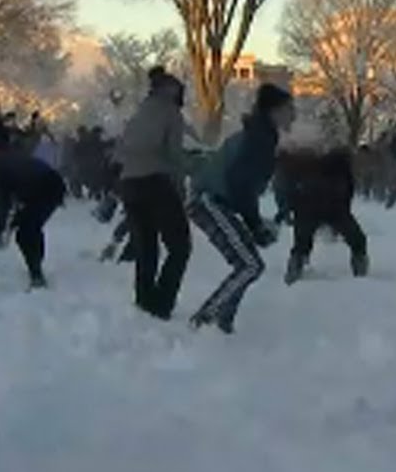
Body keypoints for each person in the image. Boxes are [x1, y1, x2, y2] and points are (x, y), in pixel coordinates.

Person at [187, 84, 294, 333]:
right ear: (273, 111)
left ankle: (221, 322)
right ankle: (204, 321)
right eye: (289, 109)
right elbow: (241, 186)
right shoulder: (259, 140)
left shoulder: (262, 136)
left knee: (249, 264)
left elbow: (246, 188)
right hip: (207, 201)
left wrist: (255, 224)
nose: (294, 115)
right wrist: (255, 226)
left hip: (215, 201)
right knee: (249, 265)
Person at [115, 67, 192, 320]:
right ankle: (161, 304)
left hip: (129, 183)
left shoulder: (140, 112)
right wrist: (181, 187)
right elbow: (174, 155)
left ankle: (144, 299)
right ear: (174, 91)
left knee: (146, 246)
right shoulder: (171, 113)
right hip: (156, 182)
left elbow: (121, 149)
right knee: (180, 246)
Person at [278, 146, 368, 285]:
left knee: (302, 243)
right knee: (357, 239)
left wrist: (288, 207)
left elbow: (286, 185)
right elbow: (348, 189)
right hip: (326, 206)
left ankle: (295, 269)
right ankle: (361, 273)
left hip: (311, 206)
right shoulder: (338, 161)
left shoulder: (302, 156)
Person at [0, 150, 67, 289]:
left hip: (40, 188)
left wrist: (1, 227)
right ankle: (36, 265)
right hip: (55, 184)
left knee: (26, 232)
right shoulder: (13, 157)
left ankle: (36, 274)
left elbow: (3, 203)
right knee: (31, 227)